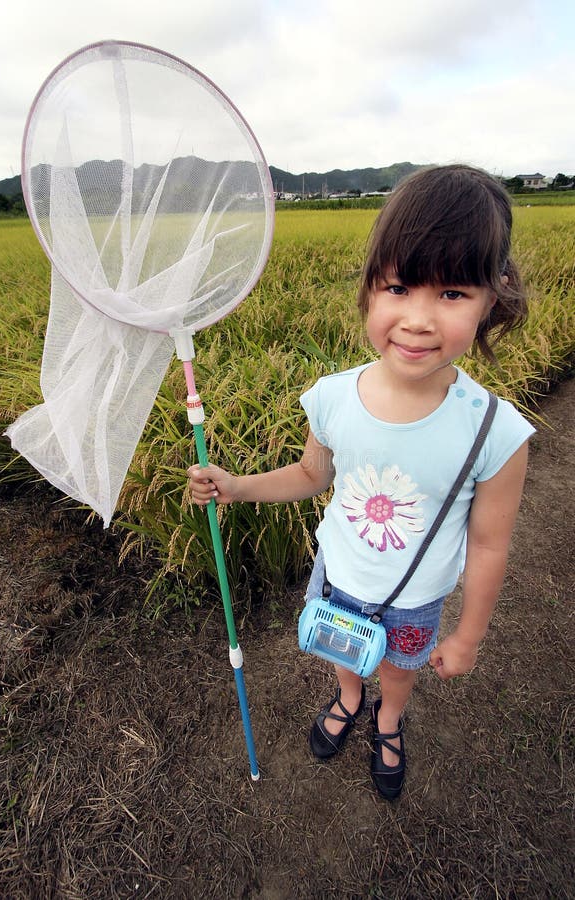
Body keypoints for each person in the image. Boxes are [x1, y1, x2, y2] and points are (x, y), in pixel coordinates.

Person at [188, 164, 534, 801]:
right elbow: (311, 474)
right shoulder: (332, 398)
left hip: (414, 596)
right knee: (344, 651)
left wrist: (467, 637)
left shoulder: (495, 432)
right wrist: (235, 486)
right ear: (371, 290)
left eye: (453, 294)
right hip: (340, 572)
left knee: (400, 670)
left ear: (494, 297)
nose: (420, 319)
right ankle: (349, 698)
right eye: (400, 287)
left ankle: (389, 719)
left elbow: (488, 546)